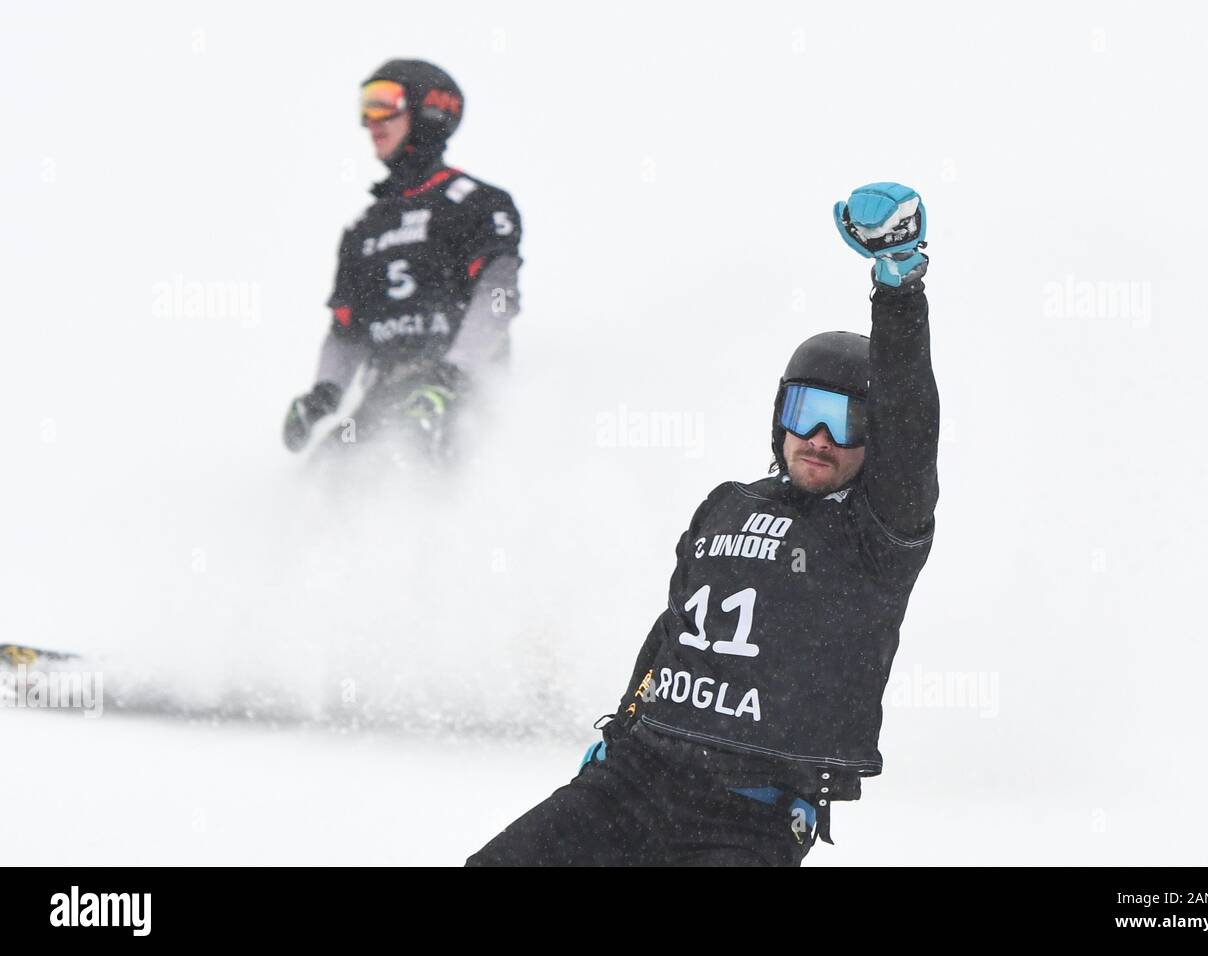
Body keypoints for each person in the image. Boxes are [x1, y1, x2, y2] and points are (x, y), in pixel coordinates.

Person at [467, 182, 939, 866]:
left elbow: (911, 417)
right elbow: (671, 634)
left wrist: (899, 290)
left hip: (749, 815)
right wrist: (624, 726)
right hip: (635, 779)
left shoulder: (878, 537)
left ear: (876, 440)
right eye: (804, 410)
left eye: (845, 421)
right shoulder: (726, 504)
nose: (818, 436)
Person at [282, 59, 522, 457]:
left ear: (429, 110)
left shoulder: (476, 203)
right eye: (365, 106)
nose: (369, 121)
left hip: (459, 391)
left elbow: (499, 296)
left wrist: (453, 376)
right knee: (321, 480)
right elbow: (346, 331)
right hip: (385, 397)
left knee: (433, 467)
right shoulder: (364, 229)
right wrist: (324, 395)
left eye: (383, 103)